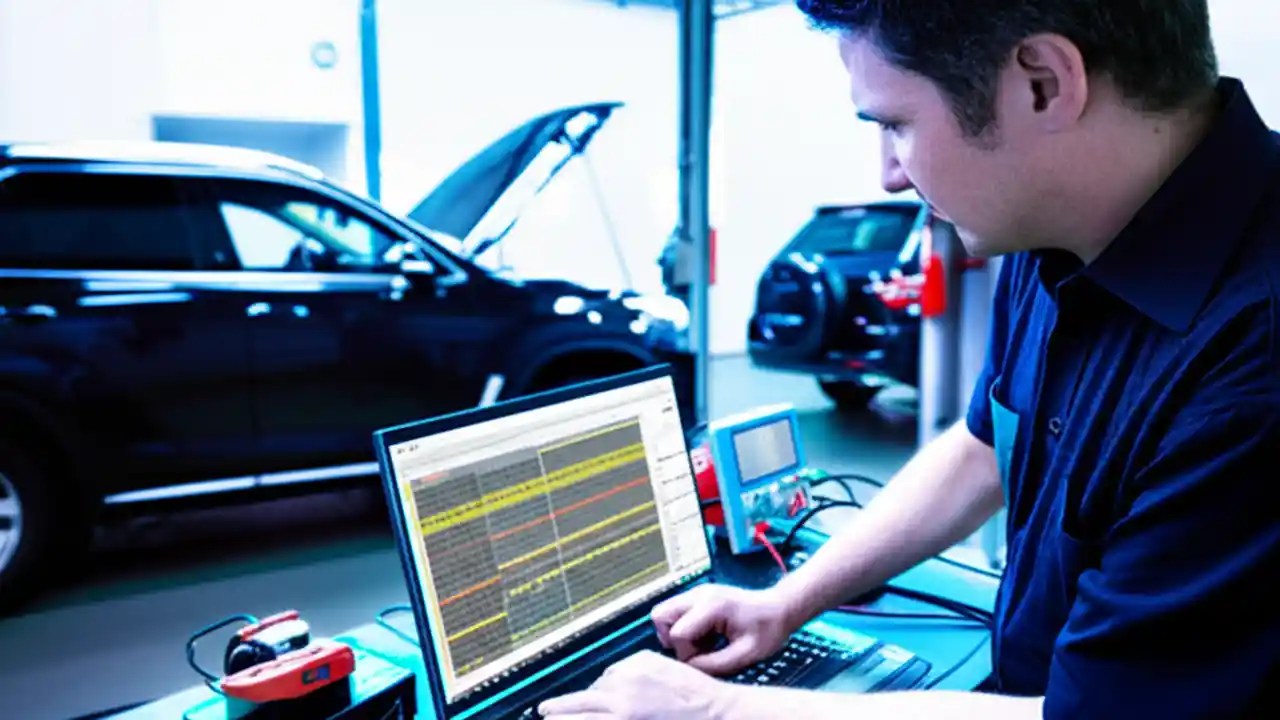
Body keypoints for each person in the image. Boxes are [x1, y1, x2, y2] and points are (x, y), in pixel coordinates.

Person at [539, 0, 1280, 717]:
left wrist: (716, 710)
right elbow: (983, 448)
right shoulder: (1060, 225)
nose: (889, 174)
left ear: (1044, 84)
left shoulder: (1255, 351)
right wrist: (785, 602)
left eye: (895, 124)